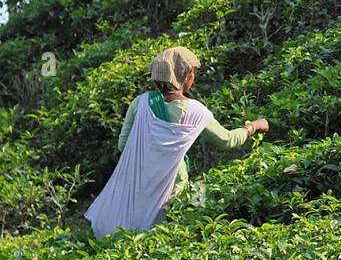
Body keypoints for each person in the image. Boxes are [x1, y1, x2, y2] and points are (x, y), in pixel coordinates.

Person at [85, 47, 270, 238]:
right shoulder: (195, 111)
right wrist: (254, 126)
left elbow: (123, 146)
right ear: (186, 76)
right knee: (185, 220)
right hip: (174, 189)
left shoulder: (140, 103)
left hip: (139, 188)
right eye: (193, 73)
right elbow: (227, 140)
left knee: (134, 238)